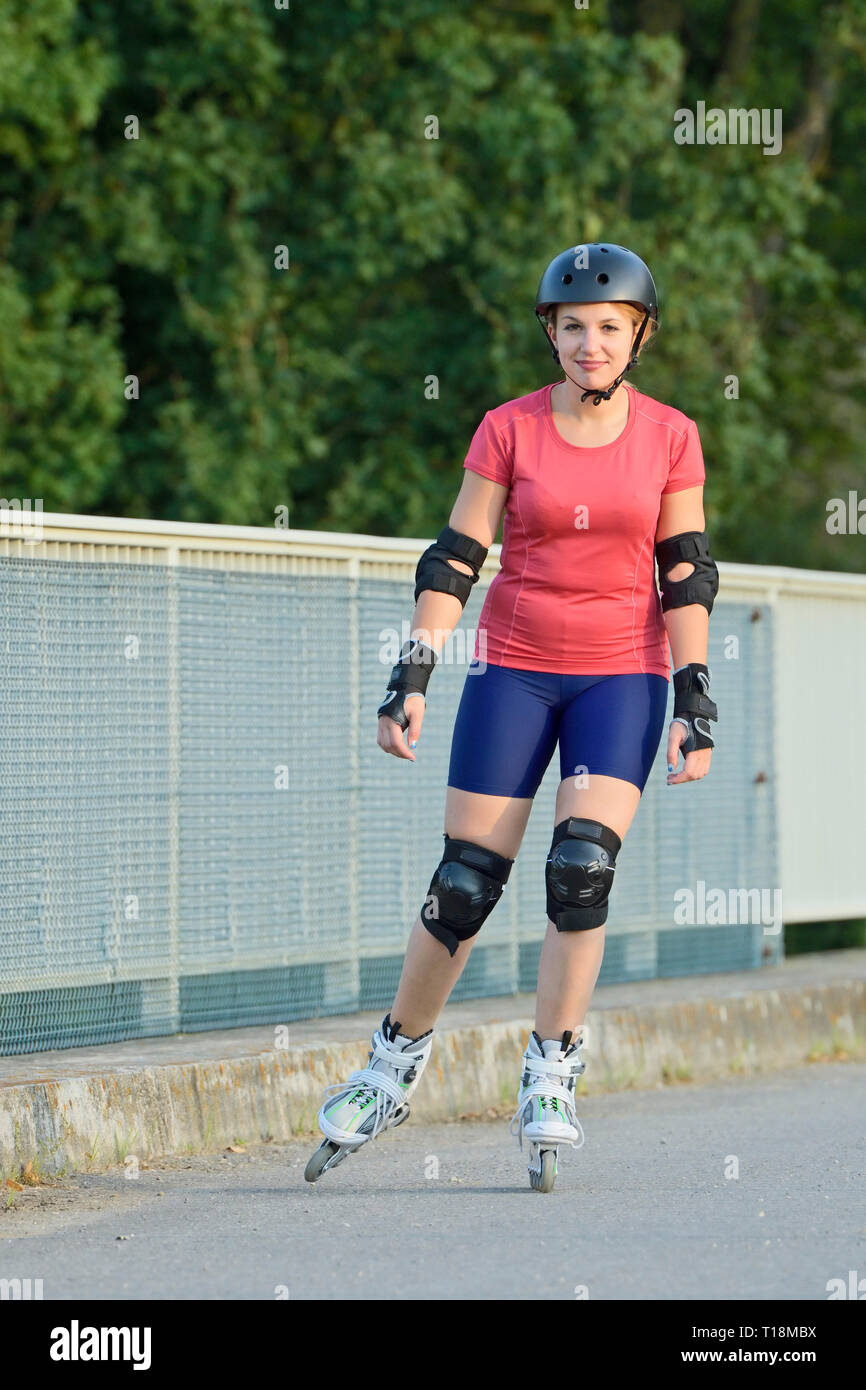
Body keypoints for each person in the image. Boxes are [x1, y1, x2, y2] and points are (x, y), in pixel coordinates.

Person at [305, 243, 719, 1191]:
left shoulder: (671, 436)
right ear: (551, 332)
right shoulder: (508, 429)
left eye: (610, 325)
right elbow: (456, 556)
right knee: (464, 882)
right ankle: (392, 1064)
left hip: (622, 673)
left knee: (582, 868)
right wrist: (411, 674)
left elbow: (686, 568)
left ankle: (550, 1072)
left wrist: (694, 696)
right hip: (515, 670)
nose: (590, 342)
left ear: (639, 335)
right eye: (572, 325)